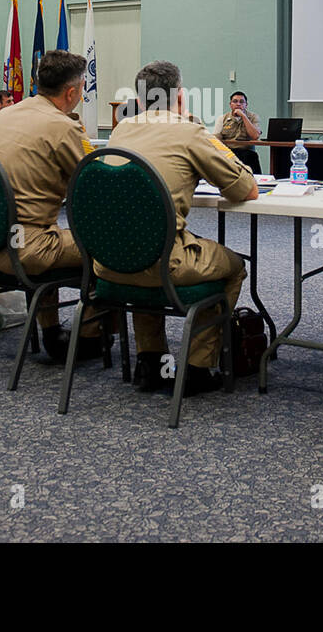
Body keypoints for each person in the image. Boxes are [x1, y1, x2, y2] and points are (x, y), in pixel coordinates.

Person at [102, 60, 259, 396]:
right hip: (164, 265)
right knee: (232, 266)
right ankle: (198, 367)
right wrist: (192, 122)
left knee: (143, 239)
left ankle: (151, 362)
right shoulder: (189, 130)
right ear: (181, 96)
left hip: (111, 263)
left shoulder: (120, 131)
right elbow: (247, 189)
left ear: (140, 99)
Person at [0, 50, 104, 361]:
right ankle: (88, 336)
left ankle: (51, 332)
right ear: (71, 92)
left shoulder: (5, 115)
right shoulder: (61, 126)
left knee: (51, 229)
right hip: (29, 250)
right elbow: (92, 185)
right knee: (110, 246)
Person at [213, 90, 262, 173]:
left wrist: (243, 116)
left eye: (242, 102)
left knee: (251, 156)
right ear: (230, 104)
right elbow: (216, 140)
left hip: (247, 152)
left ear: (246, 105)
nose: (238, 104)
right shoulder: (222, 118)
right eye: (235, 101)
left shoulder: (253, 117)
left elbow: (255, 136)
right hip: (229, 152)